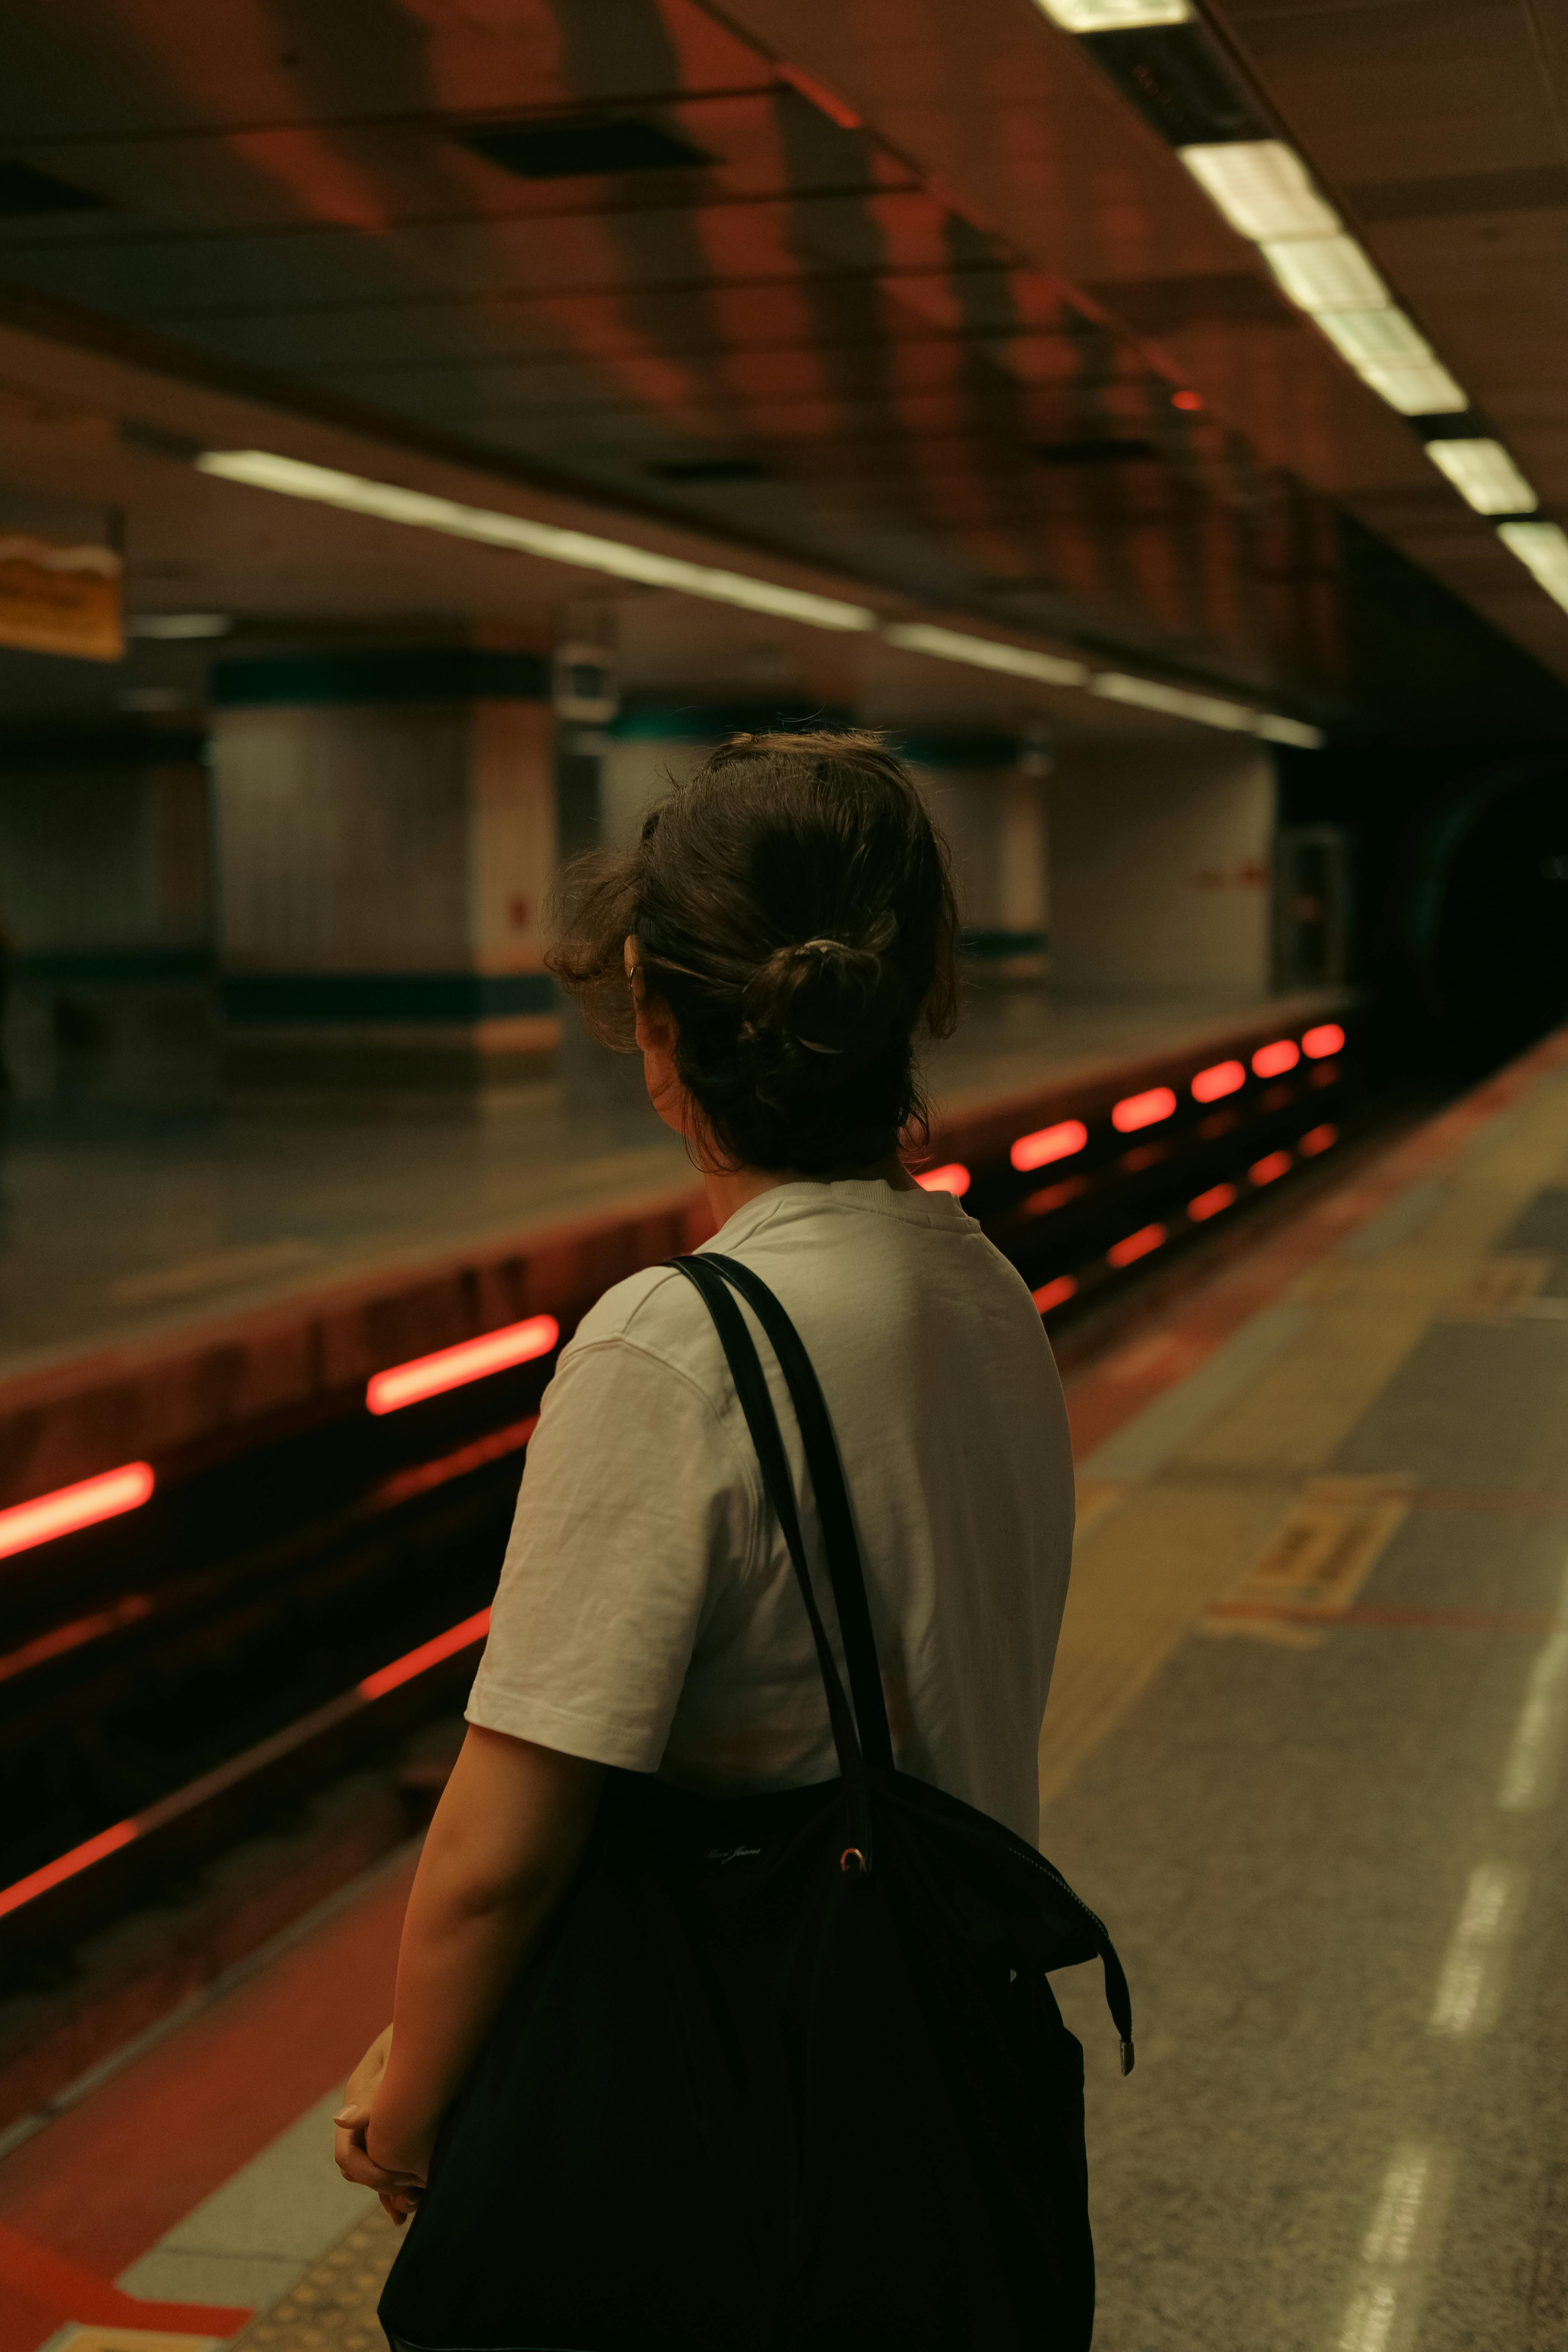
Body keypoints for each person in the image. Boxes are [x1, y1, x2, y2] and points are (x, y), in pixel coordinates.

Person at [333, 729, 1076, 2251]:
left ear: (654, 1025)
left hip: (741, 2108)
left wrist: (409, 2111)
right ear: (910, 1002)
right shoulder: (981, 1283)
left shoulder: (675, 1341)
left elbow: (500, 1845)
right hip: (944, 2065)